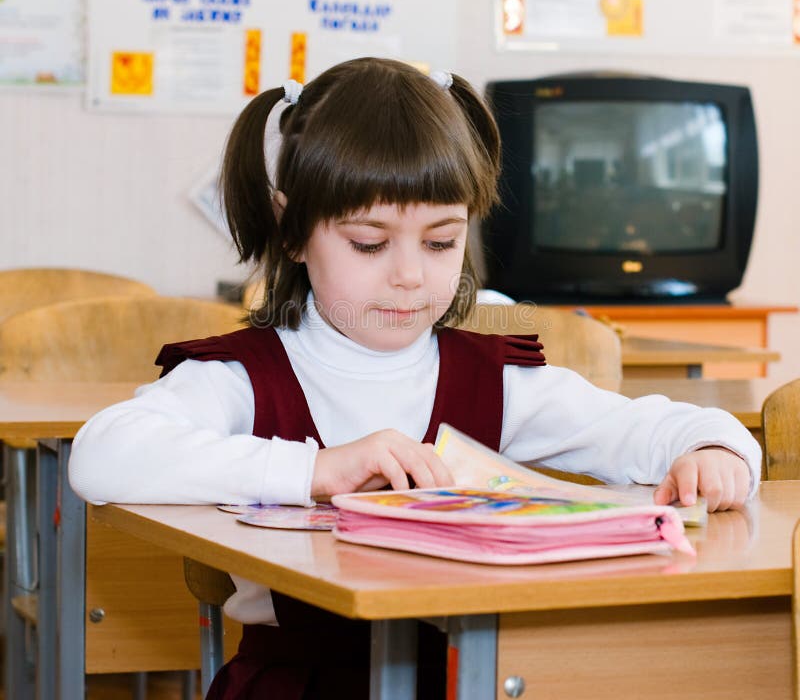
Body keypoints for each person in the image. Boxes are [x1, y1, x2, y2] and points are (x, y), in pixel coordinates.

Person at [68, 57, 761, 700]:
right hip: (298, 687)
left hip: (469, 678)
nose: (409, 274)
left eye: (441, 241)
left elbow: (656, 428)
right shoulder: (244, 375)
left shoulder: (495, 381)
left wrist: (716, 451)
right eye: (368, 243)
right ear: (292, 232)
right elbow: (104, 454)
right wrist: (318, 469)